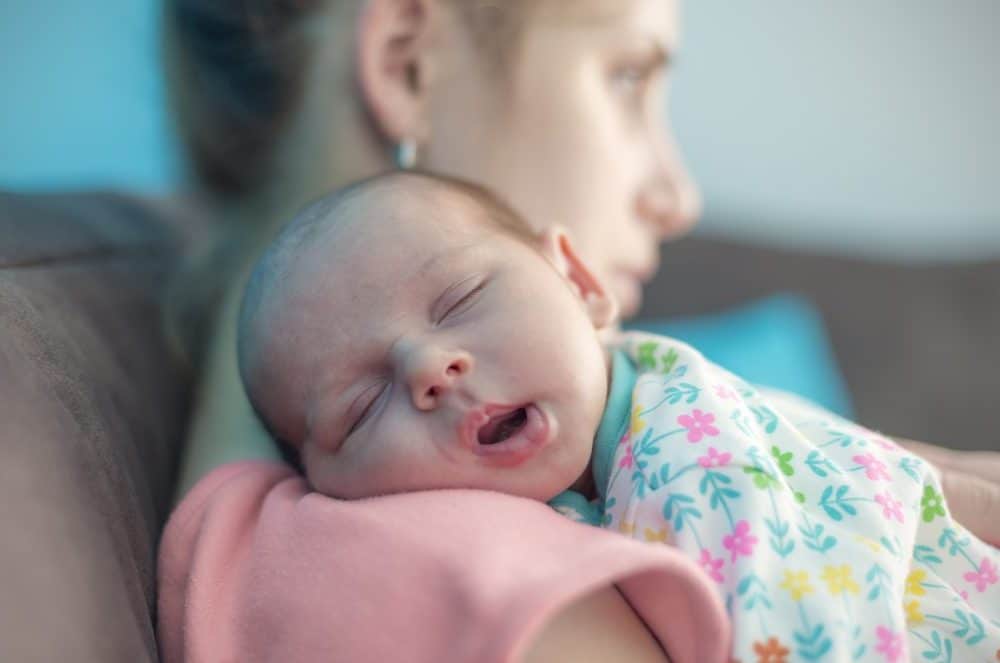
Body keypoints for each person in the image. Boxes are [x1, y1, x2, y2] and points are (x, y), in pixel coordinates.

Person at [162, 0, 1000, 660]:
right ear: (408, 61)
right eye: (627, 76)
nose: (678, 196)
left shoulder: (611, 421)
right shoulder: (381, 555)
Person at [217, 171, 996, 661]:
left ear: (580, 283)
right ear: (323, 485)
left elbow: (906, 478)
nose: (428, 367)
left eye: (460, 300)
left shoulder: (686, 400)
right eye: (360, 409)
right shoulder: (499, 562)